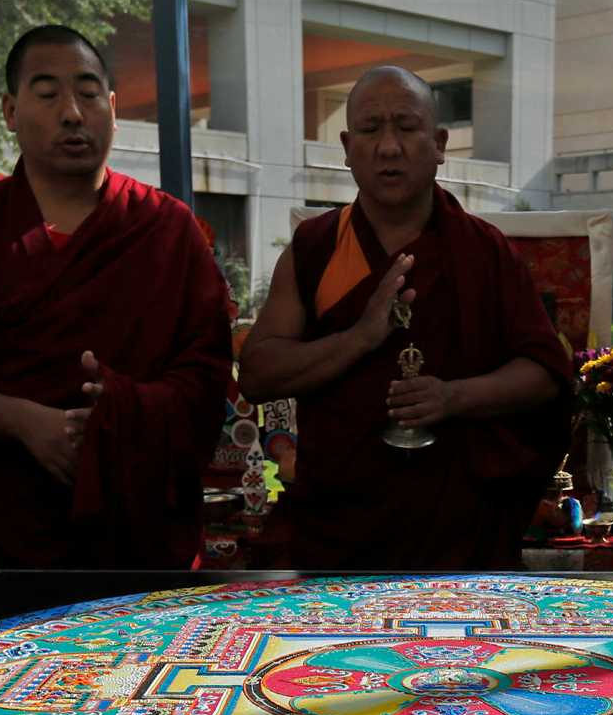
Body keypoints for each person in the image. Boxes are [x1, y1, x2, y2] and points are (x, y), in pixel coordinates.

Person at [0, 24, 231, 583]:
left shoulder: (167, 226)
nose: (72, 113)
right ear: (10, 111)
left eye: (88, 93)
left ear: (113, 108)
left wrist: (126, 409)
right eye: (47, 93)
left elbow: (208, 376)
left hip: (142, 526)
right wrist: (28, 423)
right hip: (13, 522)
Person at [237, 66, 572, 570]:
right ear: (347, 147)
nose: (389, 147)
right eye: (370, 129)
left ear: (439, 144)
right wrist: (359, 338)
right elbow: (259, 372)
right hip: (340, 525)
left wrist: (452, 397)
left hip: (461, 526)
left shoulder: (484, 251)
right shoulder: (316, 248)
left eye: (407, 127)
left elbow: (545, 374)